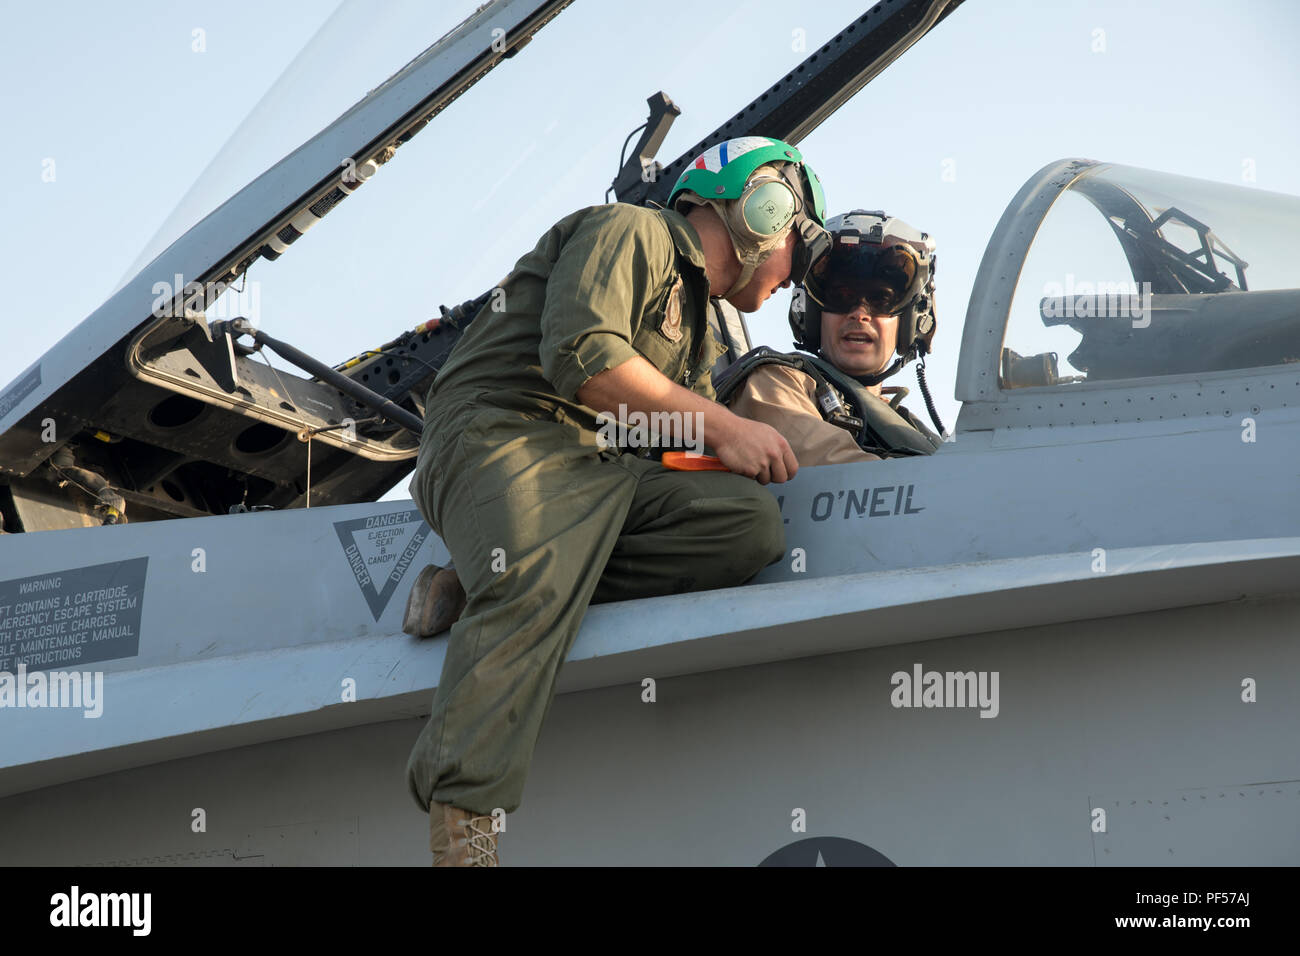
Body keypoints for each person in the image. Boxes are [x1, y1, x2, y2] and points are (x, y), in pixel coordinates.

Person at [403, 136, 830, 865]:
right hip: (504, 432)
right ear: (765, 211)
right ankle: (464, 821)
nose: (796, 278)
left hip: (595, 473)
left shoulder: (696, 332)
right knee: (533, 573)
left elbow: (665, 436)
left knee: (743, 525)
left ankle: (478, 573)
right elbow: (585, 358)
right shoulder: (630, 232)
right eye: (801, 244)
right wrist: (724, 423)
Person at [717, 210, 945, 463]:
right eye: (841, 297)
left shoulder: (914, 433)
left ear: (911, 321)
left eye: (881, 300)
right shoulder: (774, 383)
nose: (859, 314)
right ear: (811, 314)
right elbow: (835, 468)